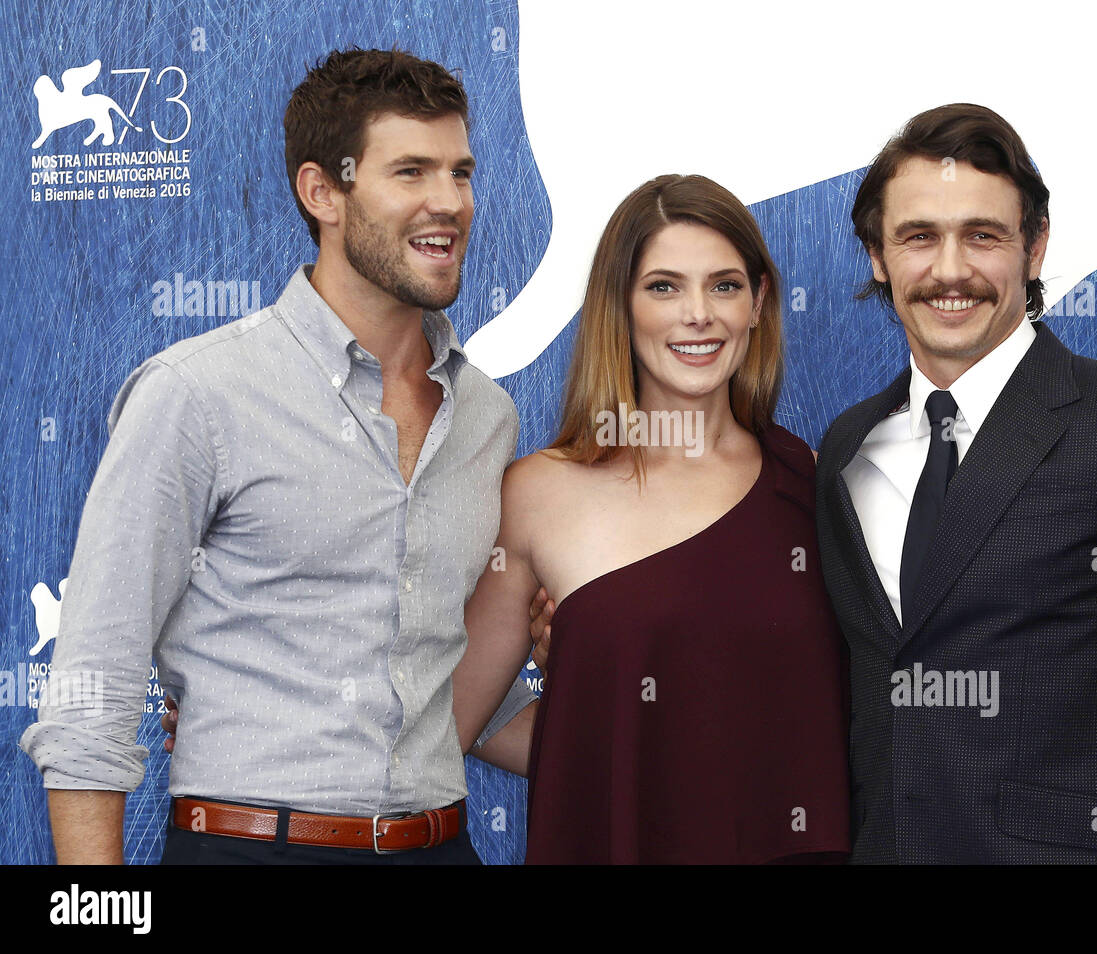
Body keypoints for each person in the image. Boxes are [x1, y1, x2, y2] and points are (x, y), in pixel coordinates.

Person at [20, 48, 540, 865]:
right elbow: (93, 686)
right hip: (252, 849)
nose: (450, 203)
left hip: (443, 846)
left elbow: (436, 675)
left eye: (461, 172)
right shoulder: (198, 393)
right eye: (411, 171)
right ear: (322, 192)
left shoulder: (487, 416)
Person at [813, 103, 1097, 863]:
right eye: (919, 236)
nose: (950, 270)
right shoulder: (849, 445)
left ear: (1035, 245)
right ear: (877, 256)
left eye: (982, 235)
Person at [452, 174, 851, 864]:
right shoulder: (540, 494)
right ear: (619, 306)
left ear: (758, 304)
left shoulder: (816, 485)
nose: (698, 313)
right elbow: (452, 718)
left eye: (724, 285)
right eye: (664, 286)